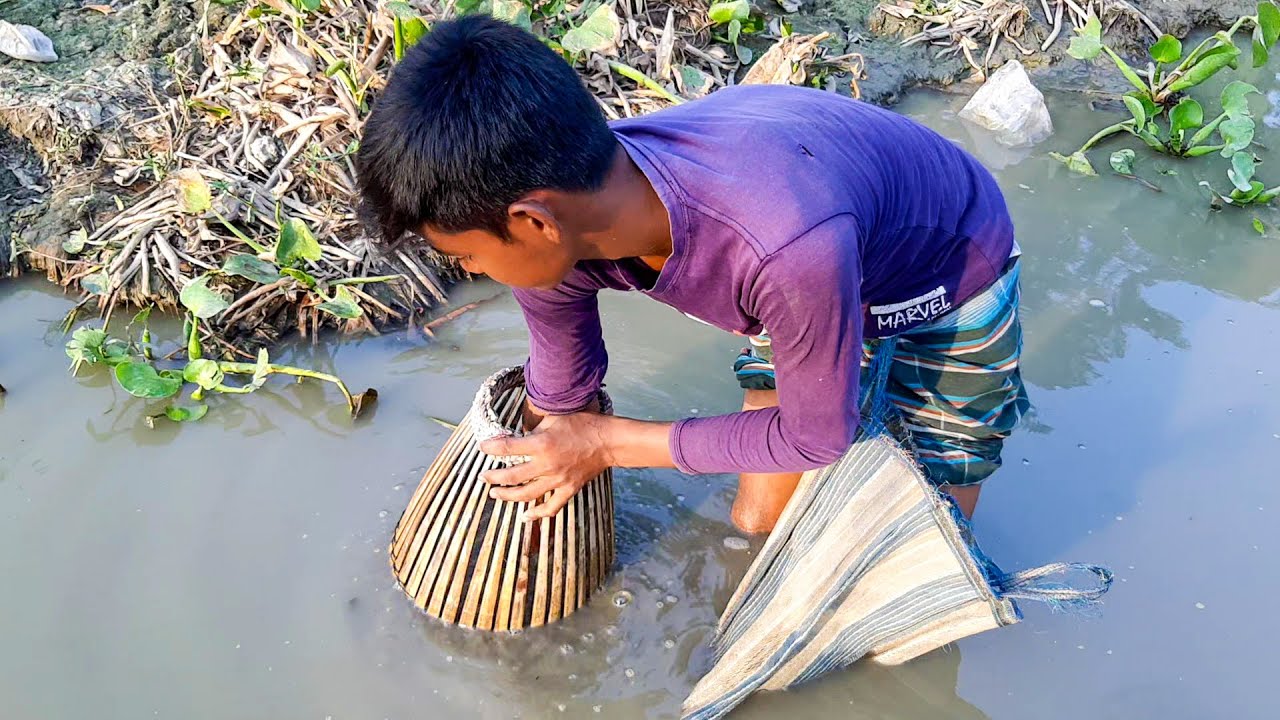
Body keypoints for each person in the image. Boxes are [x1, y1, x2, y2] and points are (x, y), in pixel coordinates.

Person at [356, 15, 1030, 532]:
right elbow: (563, 389)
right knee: (758, 522)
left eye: (464, 256)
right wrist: (536, 474)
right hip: (811, 248)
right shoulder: (570, 214)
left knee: (923, 522)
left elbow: (815, 437)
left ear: (534, 222)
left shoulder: (782, 249)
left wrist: (609, 445)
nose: (470, 269)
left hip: (945, 262)